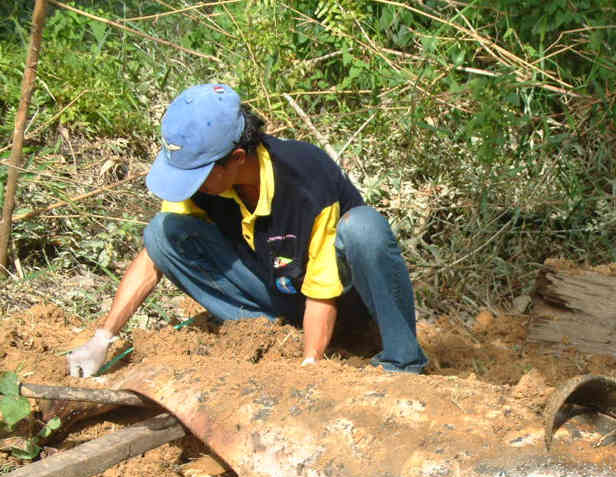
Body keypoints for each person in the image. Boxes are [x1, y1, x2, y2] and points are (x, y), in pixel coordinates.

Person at [67, 82, 427, 376]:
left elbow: (323, 291)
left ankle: (402, 362)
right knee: (164, 231)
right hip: (283, 297)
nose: (190, 187)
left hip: (344, 304)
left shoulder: (307, 181)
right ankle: (274, 335)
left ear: (237, 158)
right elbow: (153, 256)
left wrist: (310, 367)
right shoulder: (207, 183)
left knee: (363, 227)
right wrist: (103, 338)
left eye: (196, 176)